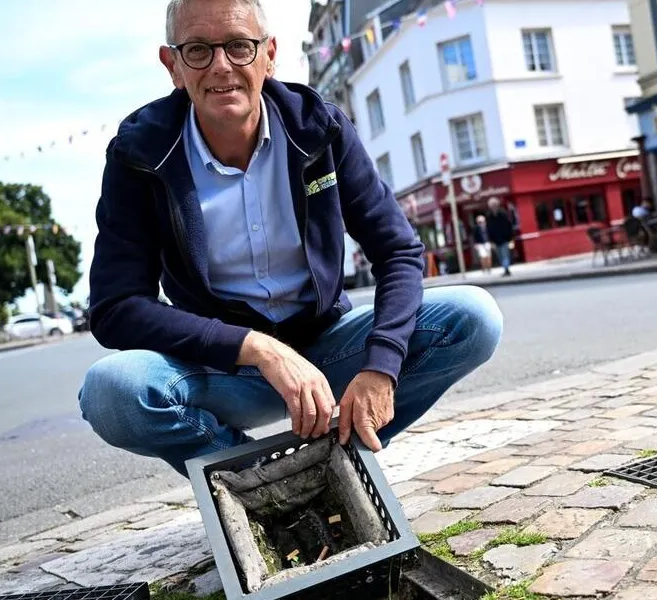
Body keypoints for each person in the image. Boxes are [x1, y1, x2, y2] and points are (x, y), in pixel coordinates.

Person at [76, 0, 503, 477]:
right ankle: (259, 480)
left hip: (327, 345)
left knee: (475, 317)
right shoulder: (139, 152)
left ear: (269, 54)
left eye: (239, 46)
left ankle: (340, 466)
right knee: (112, 390)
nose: (222, 66)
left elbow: (398, 251)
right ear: (172, 64)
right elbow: (114, 309)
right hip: (222, 366)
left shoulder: (320, 127)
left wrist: (381, 365)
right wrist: (257, 347)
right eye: (197, 49)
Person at [485, 198, 516, 277]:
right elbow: (488, 229)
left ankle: (506, 269)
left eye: (494, 205)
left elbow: (508, 226)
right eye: (492, 205)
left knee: (505, 254)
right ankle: (505, 268)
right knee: (500, 256)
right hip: (495, 240)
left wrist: (510, 237)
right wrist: (491, 240)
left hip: (504, 239)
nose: (493, 206)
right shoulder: (489, 216)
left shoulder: (503, 213)